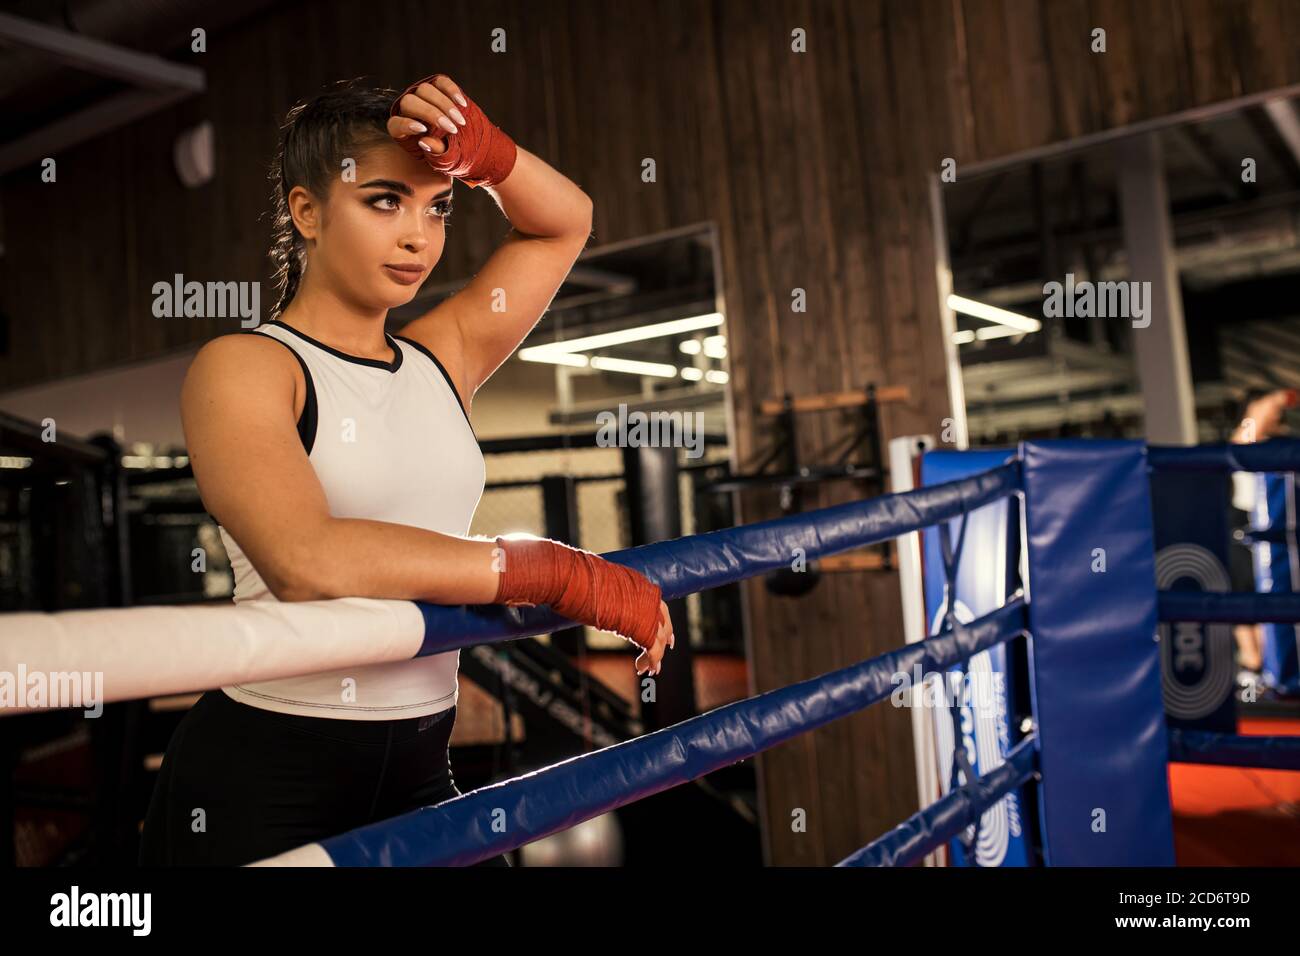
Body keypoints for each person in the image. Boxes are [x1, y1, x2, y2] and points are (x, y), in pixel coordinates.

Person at [139, 74, 674, 866]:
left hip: (422, 762)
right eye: (385, 200)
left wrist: (489, 155)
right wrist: (548, 571)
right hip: (268, 777)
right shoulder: (247, 366)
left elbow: (566, 222)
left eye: (438, 207)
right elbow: (304, 558)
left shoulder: (442, 356)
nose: (418, 236)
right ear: (307, 211)